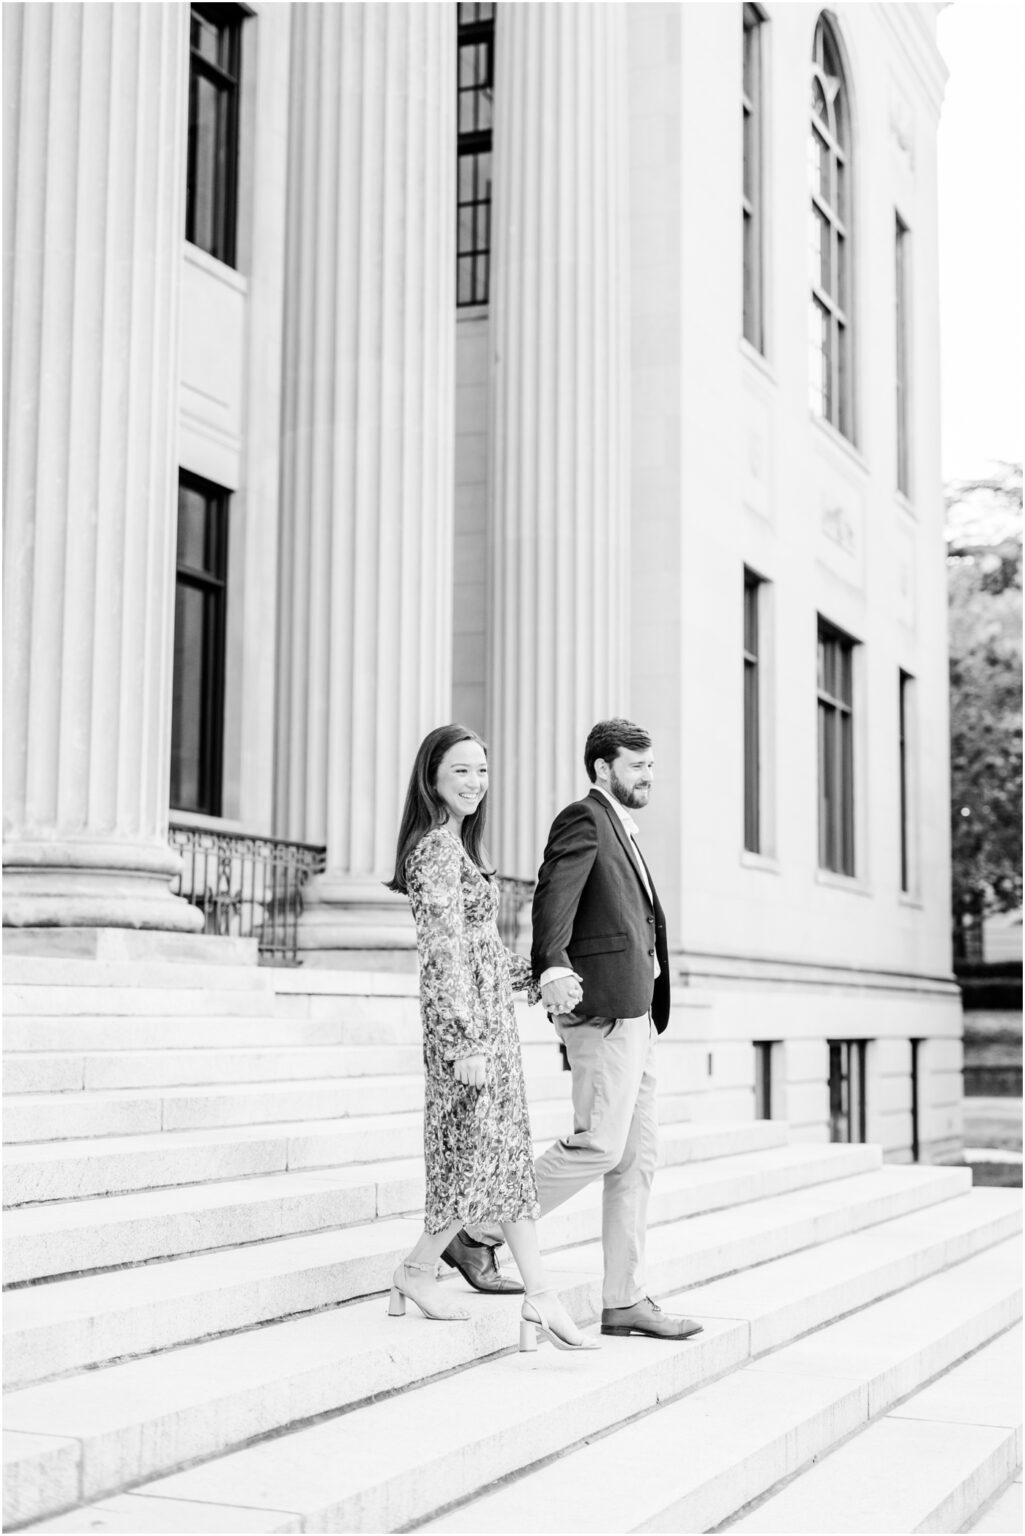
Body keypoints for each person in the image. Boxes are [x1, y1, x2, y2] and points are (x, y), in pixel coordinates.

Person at [444, 718, 703, 1340]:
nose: (648, 775)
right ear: (602, 769)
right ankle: (475, 1231)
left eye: (650, 764)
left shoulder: (626, 828)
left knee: (635, 1162)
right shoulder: (584, 818)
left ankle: (625, 1299)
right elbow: (553, 895)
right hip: (604, 1010)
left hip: (638, 1013)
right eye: (636, 766)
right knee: (600, 1146)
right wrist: (553, 961)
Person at [385, 724, 599, 1353]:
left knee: (497, 1165)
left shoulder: (459, 849)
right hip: (468, 1037)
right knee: (478, 1162)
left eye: (482, 771)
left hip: (489, 1029)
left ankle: (502, 1288)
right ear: (432, 779)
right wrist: (463, 1042)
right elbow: (444, 957)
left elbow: (482, 953)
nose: (476, 783)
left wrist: (540, 980)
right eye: (462, 771)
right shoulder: (433, 853)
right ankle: (447, 1277)